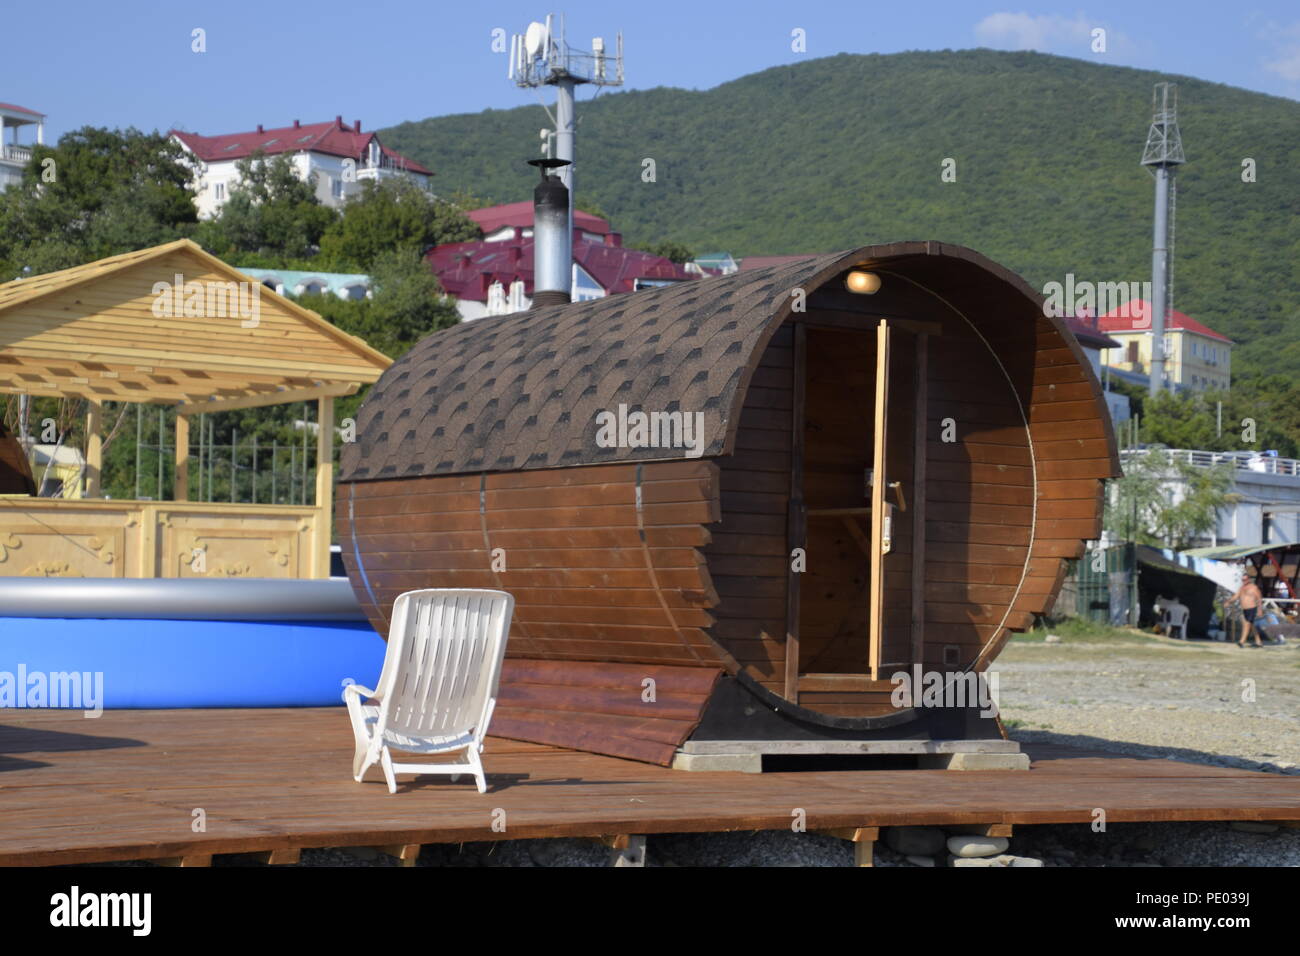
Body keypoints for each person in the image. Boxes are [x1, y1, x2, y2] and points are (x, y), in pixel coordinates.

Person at [1230, 574, 1263, 647]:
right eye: (1242, 580)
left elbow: (1259, 599)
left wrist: (1260, 610)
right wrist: (1228, 601)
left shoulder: (1254, 588)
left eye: (1245, 580)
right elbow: (1236, 596)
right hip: (1245, 609)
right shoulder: (1241, 588)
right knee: (1252, 625)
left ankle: (1241, 641)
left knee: (1247, 624)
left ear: (1248, 580)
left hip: (1252, 608)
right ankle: (1259, 641)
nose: (1243, 581)